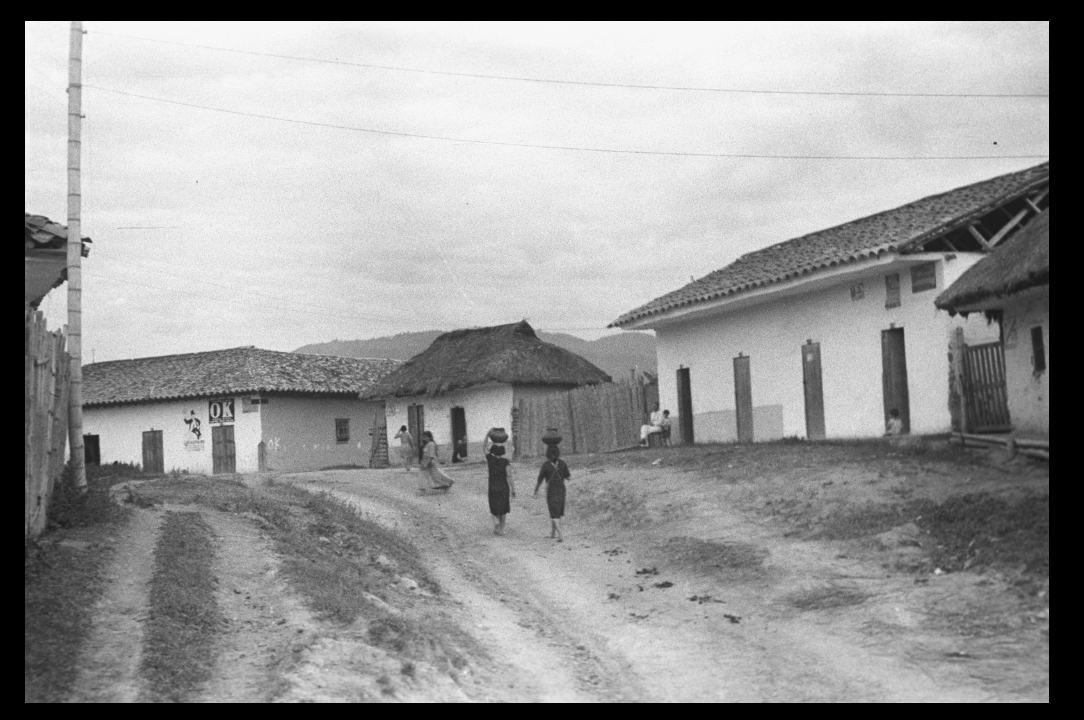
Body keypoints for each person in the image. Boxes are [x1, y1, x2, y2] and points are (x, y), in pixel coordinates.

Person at [534, 443, 570, 541]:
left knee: (553, 512)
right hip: (561, 489)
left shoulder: (545, 465)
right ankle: (553, 533)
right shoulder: (562, 463)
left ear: (547, 453)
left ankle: (560, 534)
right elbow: (568, 477)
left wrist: (536, 491)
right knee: (558, 512)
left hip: (551, 490)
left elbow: (540, 480)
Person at [483, 433, 515, 535]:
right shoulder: (506, 462)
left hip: (492, 487)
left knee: (494, 507)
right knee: (503, 509)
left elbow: (484, 447)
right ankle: (501, 529)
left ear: (493, 451)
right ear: (502, 452)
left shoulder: (490, 459)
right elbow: (509, 476)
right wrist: (513, 489)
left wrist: (487, 435)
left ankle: (496, 522)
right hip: (504, 487)